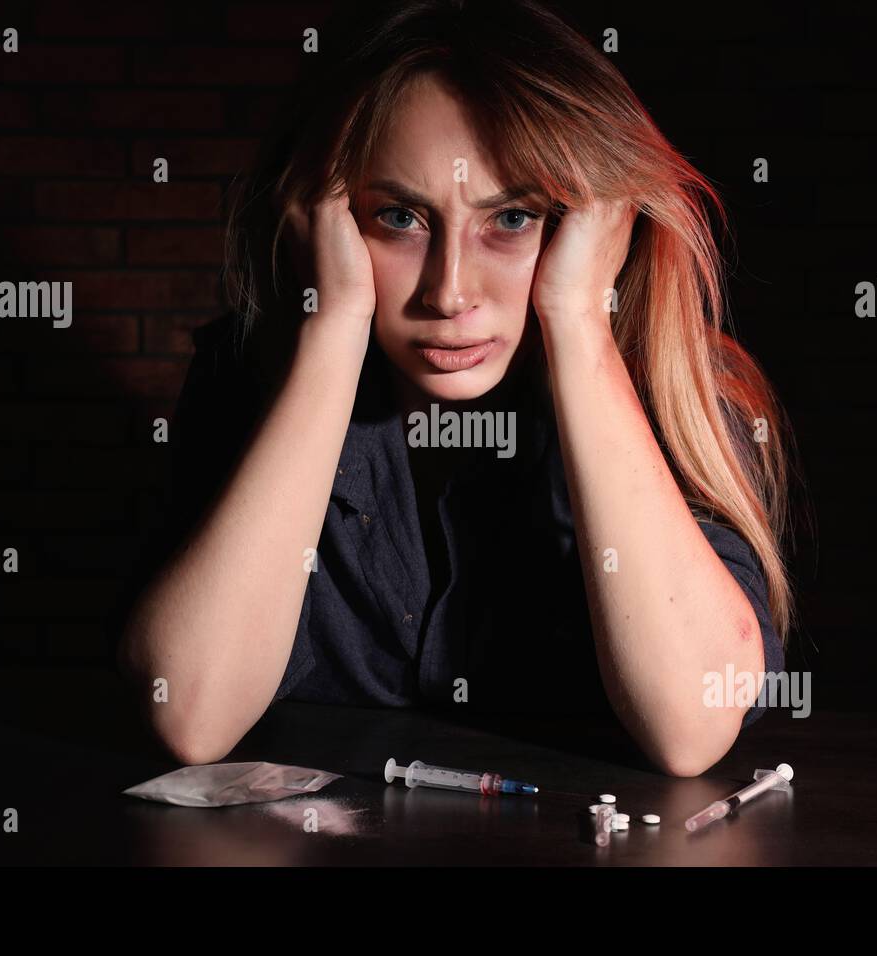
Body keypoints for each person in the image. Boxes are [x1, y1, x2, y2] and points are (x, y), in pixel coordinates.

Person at [117, 0, 803, 777]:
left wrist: (578, 321)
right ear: (327, 221)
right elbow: (191, 715)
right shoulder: (252, 377)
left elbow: (691, 727)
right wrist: (336, 321)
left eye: (511, 217)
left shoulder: (676, 386)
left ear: (599, 225)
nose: (448, 293)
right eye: (400, 217)